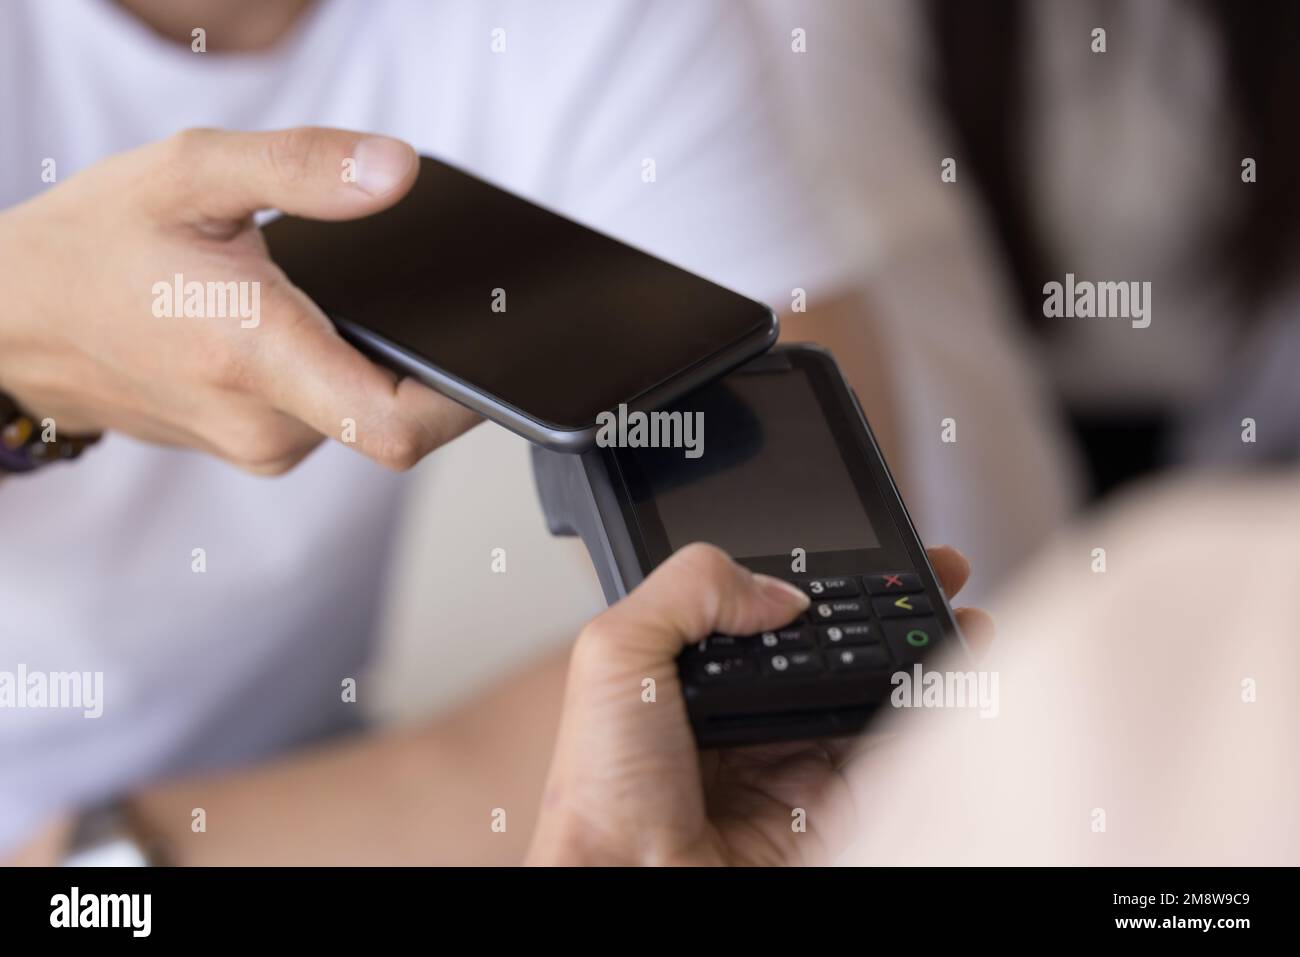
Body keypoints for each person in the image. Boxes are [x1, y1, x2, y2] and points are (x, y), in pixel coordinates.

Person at [0, 0, 935, 863]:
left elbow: (792, 664)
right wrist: (24, 353)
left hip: (264, 803)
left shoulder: (600, 24)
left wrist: (116, 854)